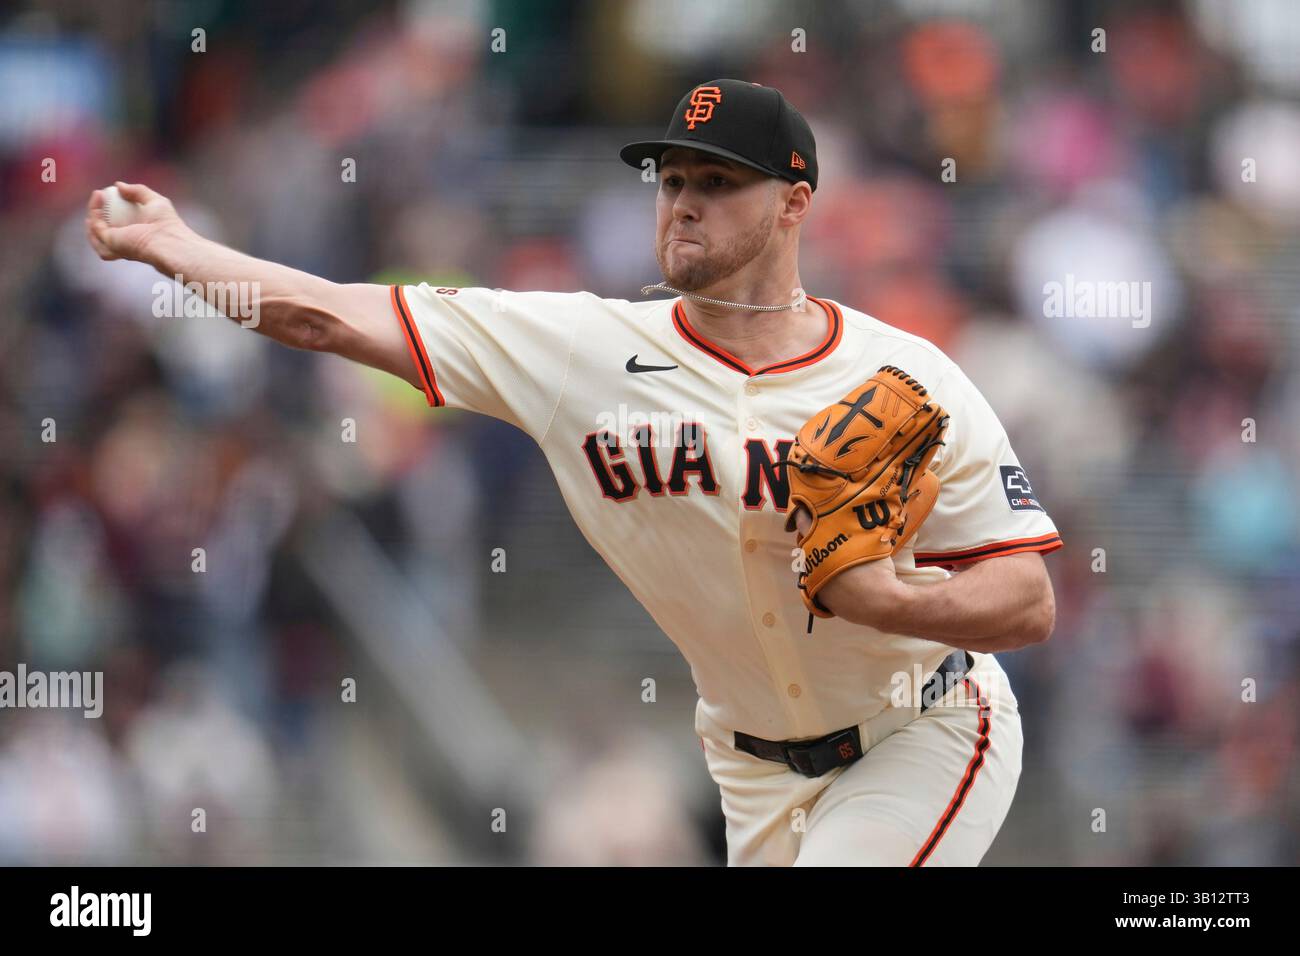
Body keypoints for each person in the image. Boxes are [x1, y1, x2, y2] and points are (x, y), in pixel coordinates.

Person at [87, 78, 1062, 866]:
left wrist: (888, 599)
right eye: (671, 178)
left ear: (794, 204)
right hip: (752, 768)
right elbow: (328, 315)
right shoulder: (579, 350)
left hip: (921, 730)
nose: (682, 202)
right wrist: (173, 246)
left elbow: (1025, 599)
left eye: (716, 183)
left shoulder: (904, 376)